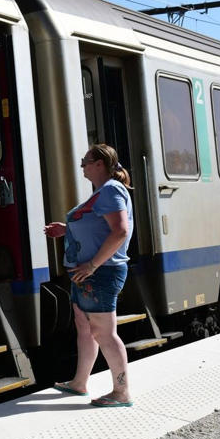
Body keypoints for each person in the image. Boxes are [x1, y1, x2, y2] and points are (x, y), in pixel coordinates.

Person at [44, 143, 134, 407]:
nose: (82, 166)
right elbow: (98, 225)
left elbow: (120, 230)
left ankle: (121, 392)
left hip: (100, 273)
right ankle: (79, 383)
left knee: (104, 333)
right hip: (86, 274)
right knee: (84, 327)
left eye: (85, 161)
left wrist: (92, 265)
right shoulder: (102, 192)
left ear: (99, 164)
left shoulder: (111, 190)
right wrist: (68, 228)